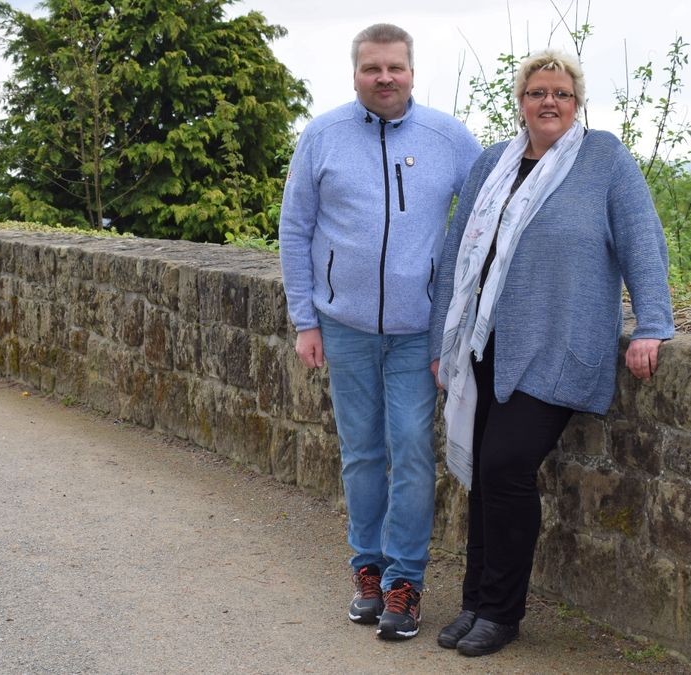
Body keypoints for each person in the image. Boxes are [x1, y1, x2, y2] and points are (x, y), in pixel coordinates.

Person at [427, 49, 674, 657]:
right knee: (482, 477)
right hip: (486, 345)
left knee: (505, 468)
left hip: (562, 346)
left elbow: (643, 241)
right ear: (521, 101)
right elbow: (460, 253)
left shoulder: (605, 160)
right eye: (537, 92)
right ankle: (474, 602)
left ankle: (502, 613)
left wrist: (653, 324)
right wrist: (443, 344)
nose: (549, 102)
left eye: (561, 93)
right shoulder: (492, 162)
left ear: (578, 101)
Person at [279, 23, 482, 641]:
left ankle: (405, 582)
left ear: (412, 72)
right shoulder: (322, 137)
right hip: (343, 328)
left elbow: (482, 227)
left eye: (395, 67)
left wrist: (456, 324)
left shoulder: (449, 139)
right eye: (373, 68)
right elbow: (295, 231)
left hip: (419, 333)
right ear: (357, 73)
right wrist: (305, 320)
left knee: (414, 455)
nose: (385, 78)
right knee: (363, 454)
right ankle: (366, 570)